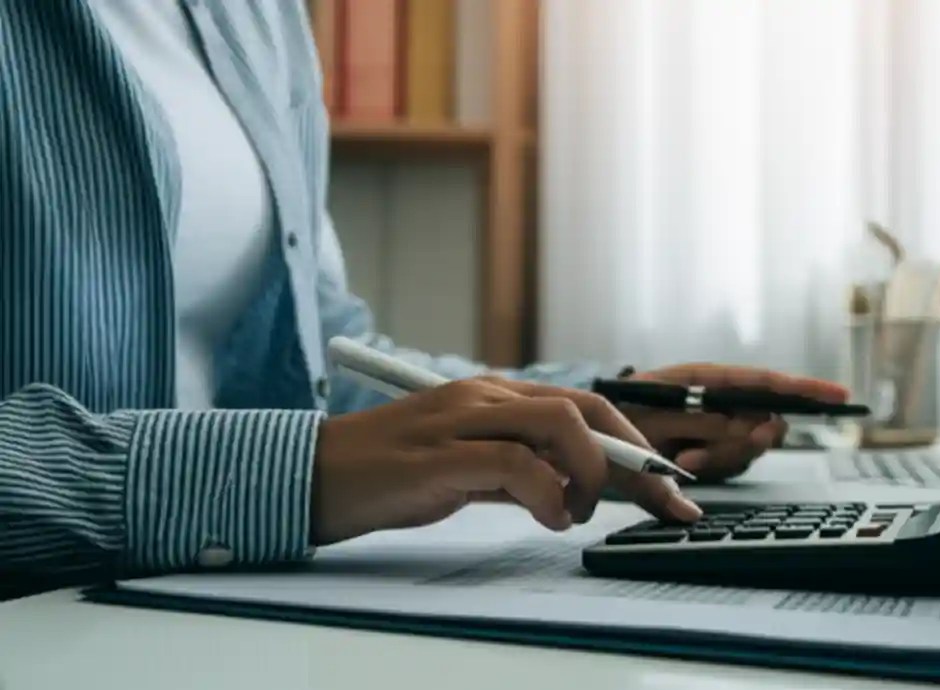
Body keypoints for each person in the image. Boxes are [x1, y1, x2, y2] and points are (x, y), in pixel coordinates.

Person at [0, 2, 847, 598]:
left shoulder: (258, 17)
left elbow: (318, 361)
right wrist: (297, 476)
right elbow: (321, 448)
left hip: (206, 615)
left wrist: (573, 409)